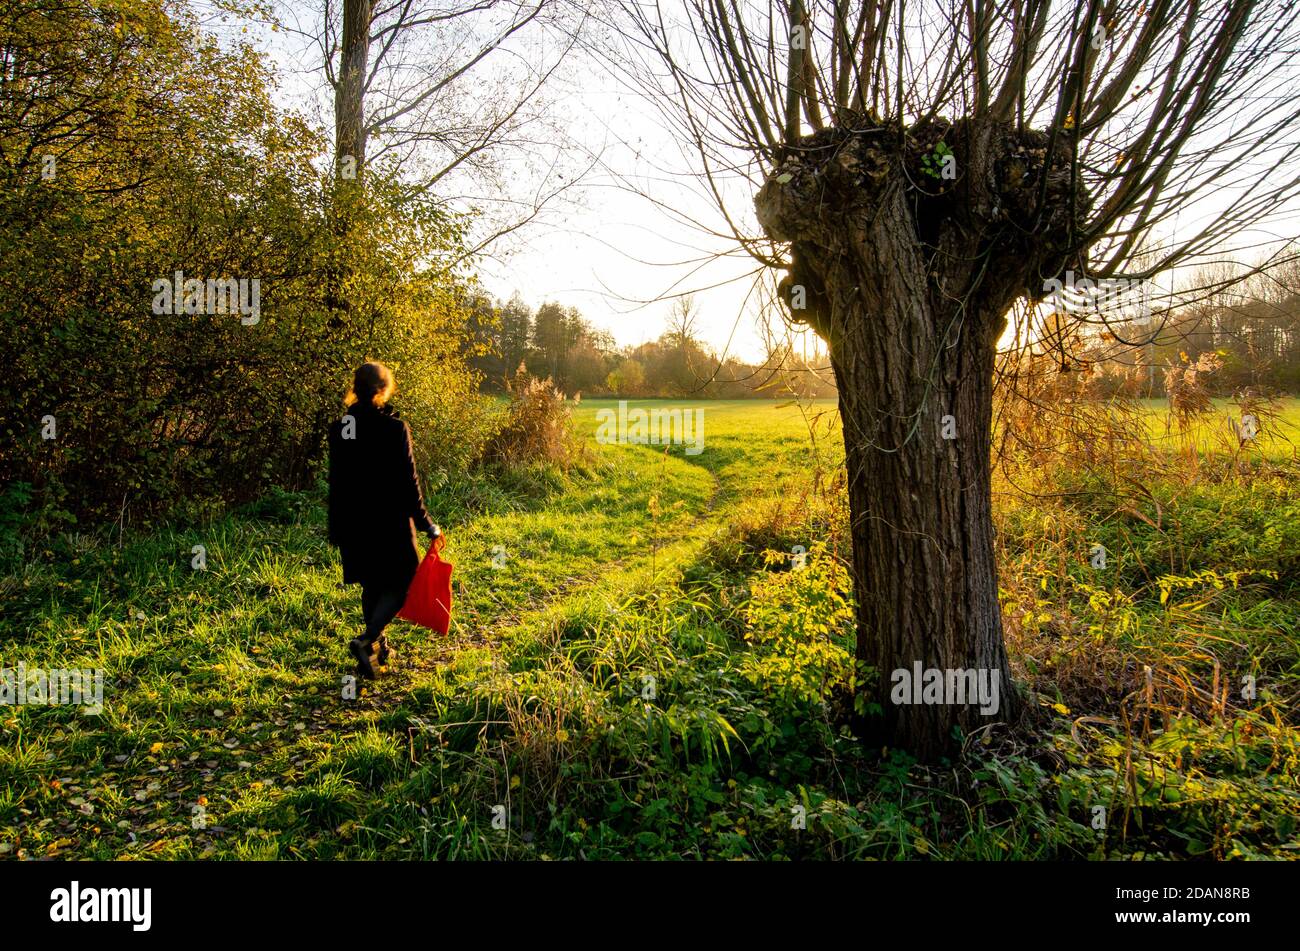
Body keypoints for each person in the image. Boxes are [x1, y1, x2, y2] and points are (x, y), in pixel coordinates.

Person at [327, 361, 440, 680]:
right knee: (404, 582)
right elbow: (408, 480)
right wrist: (426, 522)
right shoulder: (393, 429)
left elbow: (336, 481)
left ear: (356, 388)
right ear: (384, 390)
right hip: (389, 521)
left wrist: (336, 527)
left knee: (372, 583)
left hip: (352, 524)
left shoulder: (341, 429)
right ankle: (367, 640)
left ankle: (378, 646)